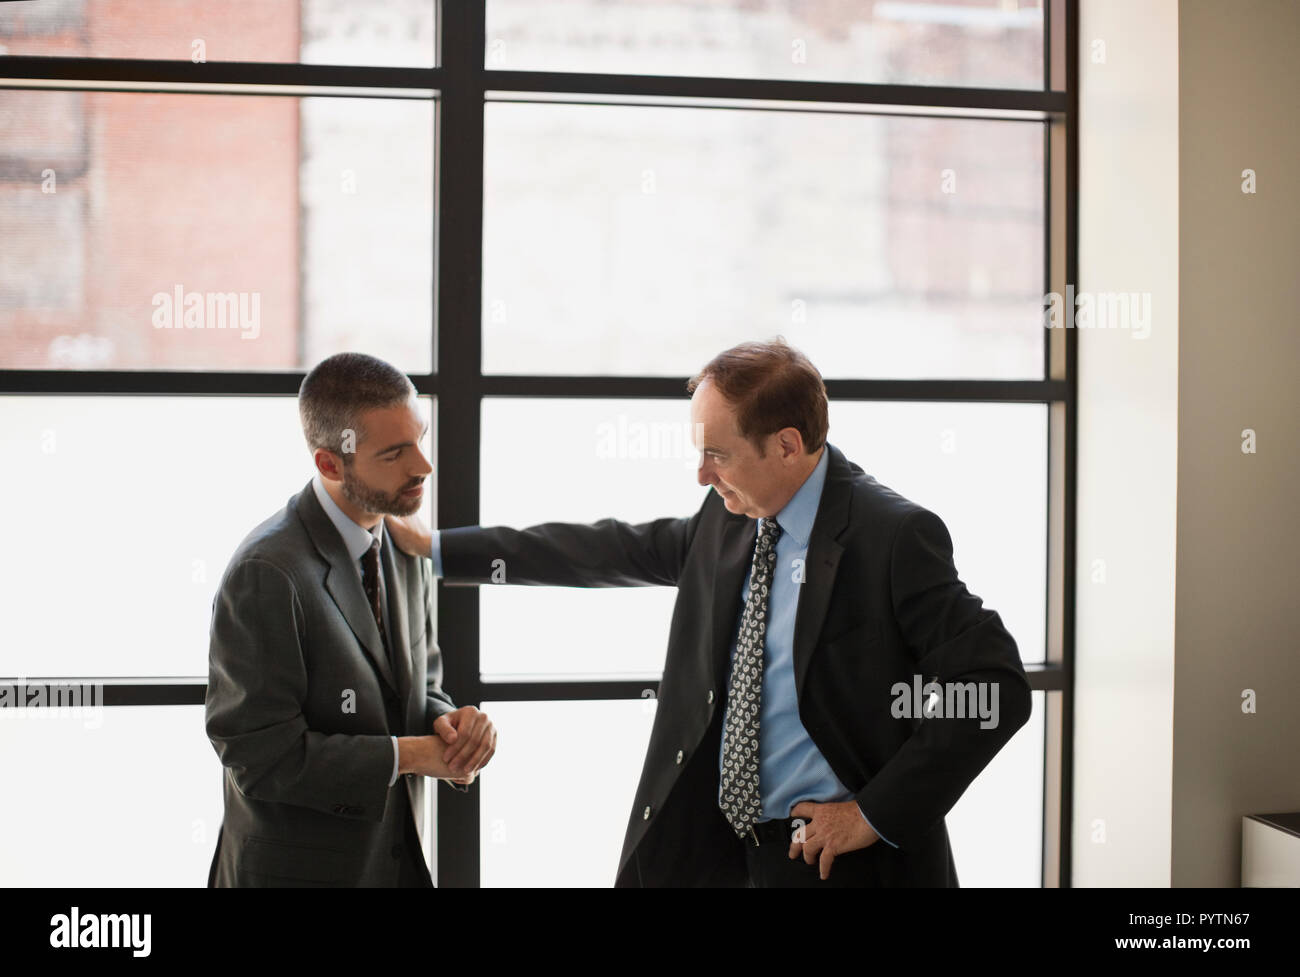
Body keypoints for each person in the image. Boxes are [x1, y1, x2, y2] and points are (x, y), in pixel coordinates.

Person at [387, 338, 1031, 888]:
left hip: (842, 864)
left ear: (786, 445)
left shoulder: (892, 537)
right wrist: (440, 550)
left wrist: (869, 815)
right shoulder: (731, 517)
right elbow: (608, 547)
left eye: (717, 454)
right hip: (717, 856)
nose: (701, 475)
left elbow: (994, 690)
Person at [205, 352, 497, 887]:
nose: (423, 467)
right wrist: (411, 755)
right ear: (329, 464)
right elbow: (258, 757)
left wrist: (450, 727)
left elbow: (418, 682)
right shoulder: (266, 573)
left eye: (420, 439)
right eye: (394, 453)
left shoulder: (403, 542)